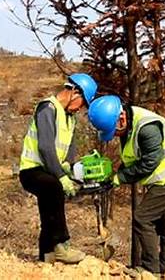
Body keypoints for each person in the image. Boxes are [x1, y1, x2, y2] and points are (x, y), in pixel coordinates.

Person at [88, 95, 165, 274]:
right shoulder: (128, 125)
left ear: (121, 118)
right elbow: (133, 157)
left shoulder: (147, 128)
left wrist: (120, 178)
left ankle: (150, 270)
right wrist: (114, 177)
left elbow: (149, 162)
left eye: (112, 131)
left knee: (143, 217)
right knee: (164, 221)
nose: (114, 135)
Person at [19, 73, 97, 263]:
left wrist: (71, 170)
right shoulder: (48, 108)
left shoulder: (70, 118)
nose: (80, 109)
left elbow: (69, 151)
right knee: (53, 188)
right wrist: (62, 177)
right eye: (82, 103)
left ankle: (47, 254)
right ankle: (61, 244)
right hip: (32, 170)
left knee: (50, 204)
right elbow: (45, 147)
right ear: (75, 93)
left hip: (50, 171)